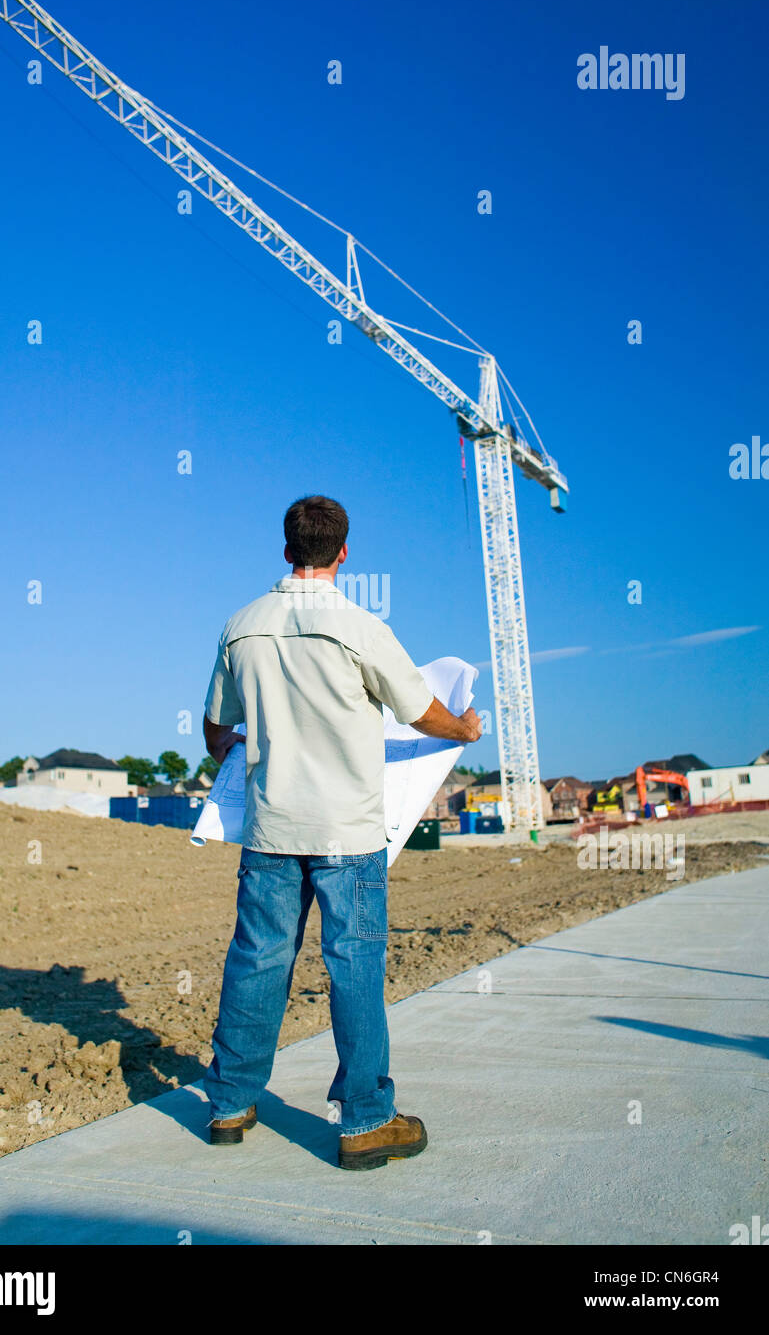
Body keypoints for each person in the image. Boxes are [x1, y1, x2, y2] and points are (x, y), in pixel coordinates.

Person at [201, 495, 481, 1170]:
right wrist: (465, 728)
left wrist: (240, 746)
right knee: (353, 966)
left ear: (286, 547)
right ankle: (364, 1120)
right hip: (348, 833)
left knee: (257, 959)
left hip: (270, 827)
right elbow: (420, 712)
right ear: (344, 552)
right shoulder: (361, 626)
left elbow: (216, 727)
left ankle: (229, 1104)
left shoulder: (241, 627)